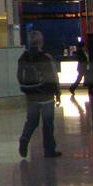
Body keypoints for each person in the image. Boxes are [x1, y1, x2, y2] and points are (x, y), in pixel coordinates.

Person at [18, 30, 62, 159]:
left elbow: (19, 76)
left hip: (30, 96)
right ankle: (49, 150)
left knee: (31, 121)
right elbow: (53, 77)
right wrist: (57, 93)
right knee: (47, 123)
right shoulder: (46, 57)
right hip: (46, 96)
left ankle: (24, 138)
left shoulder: (23, 57)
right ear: (41, 42)